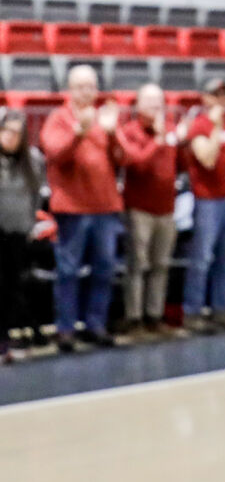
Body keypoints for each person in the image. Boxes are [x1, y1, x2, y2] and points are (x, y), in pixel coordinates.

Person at [40, 66, 125, 350]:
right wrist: (79, 131)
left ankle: (95, 324)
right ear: (69, 89)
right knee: (68, 271)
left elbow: (122, 159)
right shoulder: (58, 118)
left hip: (105, 207)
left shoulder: (105, 121)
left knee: (104, 269)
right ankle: (65, 329)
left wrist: (112, 134)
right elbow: (54, 153)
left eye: (91, 86)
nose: (87, 92)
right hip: (73, 209)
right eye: (80, 86)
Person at [182, 79, 225, 331]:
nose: (221, 100)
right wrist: (216, 129)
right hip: (207, 200)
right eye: (215, 95)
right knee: (202, 258)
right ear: (205, 98)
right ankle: (193, 311)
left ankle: (222, 307)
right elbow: (208, 160)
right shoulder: (199, 126)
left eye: (224, 95)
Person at [117, 85, 184, 336]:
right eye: (151, 102)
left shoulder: (171, 130)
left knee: (161, 265)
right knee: (138, 266)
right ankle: (134, 319)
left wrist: (182, 142)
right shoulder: (131, 132)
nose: (157, 107)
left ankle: (155, 316)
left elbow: (181, 164)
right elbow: (136, 164)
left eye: (160, 102)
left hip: (166, 209)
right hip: (139, 209)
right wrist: (157, 140)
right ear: (139, 105)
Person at [0, 112, 44, 362]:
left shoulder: (33, 161)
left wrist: (30, 223)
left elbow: (36, 195)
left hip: (18, 230)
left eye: (17, 132)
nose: (10, 137)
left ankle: (7, 334)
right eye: (6, 130)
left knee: (12, 285)